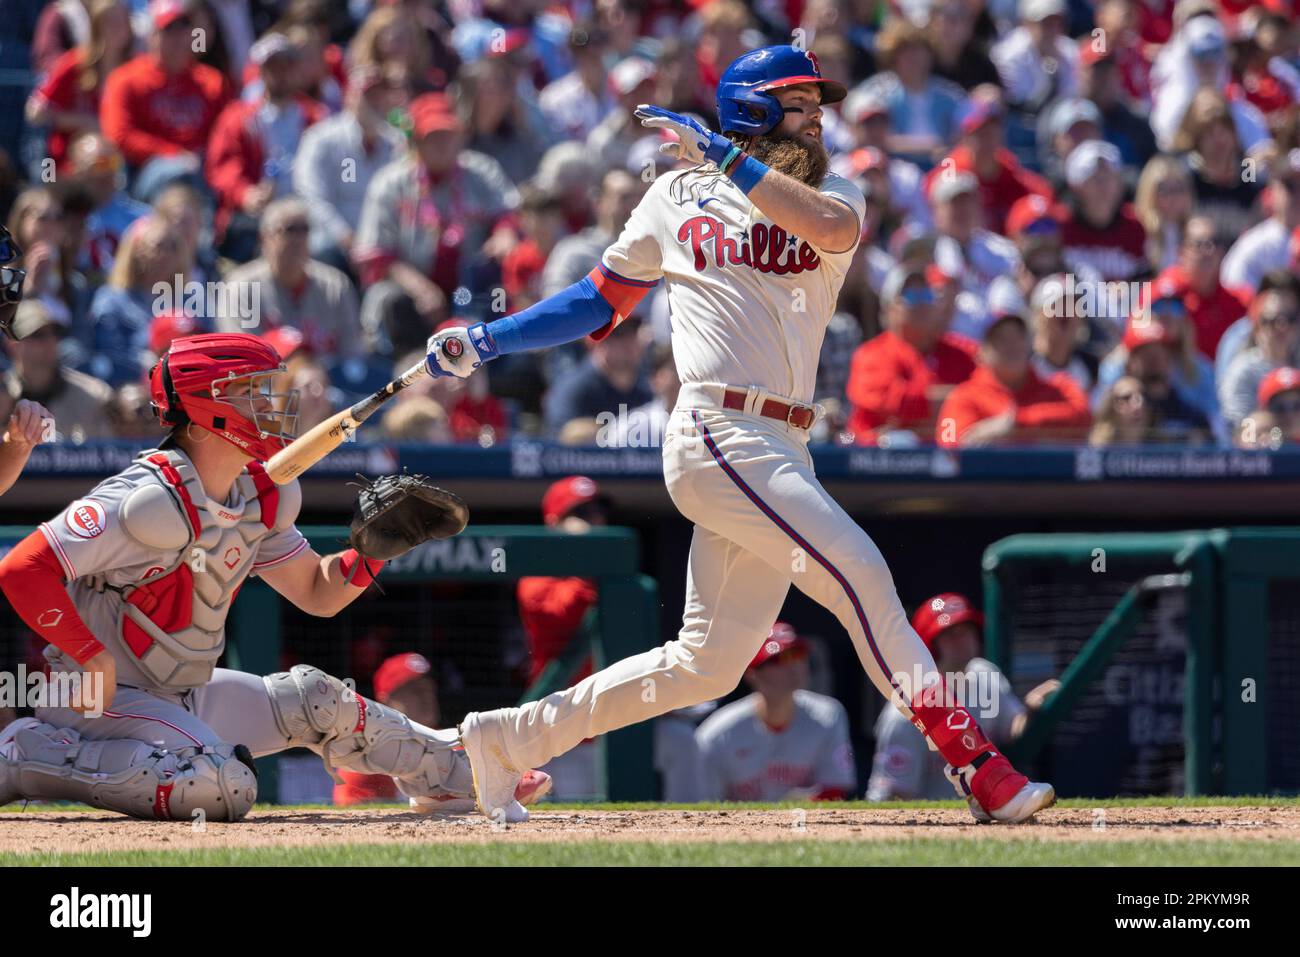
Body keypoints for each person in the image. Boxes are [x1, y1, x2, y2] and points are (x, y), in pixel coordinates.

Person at [423, 45, 1055, 825]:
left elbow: (825, 224)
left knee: (702, 666)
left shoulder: (837, 188)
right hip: (717, 425)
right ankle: (974, 762)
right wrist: (489, 338)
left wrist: (724, 155)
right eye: (801, 106)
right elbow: (598, 301)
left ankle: (506, 740)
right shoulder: (673, 195)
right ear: (755, 111)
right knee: (860, 571)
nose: (819, 120)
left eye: (820, 108)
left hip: (782, 441)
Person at [0, 333, 549, 820]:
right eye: (249, 391)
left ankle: (461, 780)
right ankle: (31, 755)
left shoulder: (257, 495)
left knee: (317, 698)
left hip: (182, 694)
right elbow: (22, 568)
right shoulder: (144, 499)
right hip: (94, 701)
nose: (266, 405)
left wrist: (371, 553)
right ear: (206, 404)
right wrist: (88, 652)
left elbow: (318, 593)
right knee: (216, 784)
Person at [867, 593, 1058, 800]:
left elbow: (1012, 728)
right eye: (950, 634)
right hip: (934, 823)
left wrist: (1031, 708)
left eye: (966, 631)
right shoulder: (904, 715)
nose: (962, 640)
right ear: (928, 646)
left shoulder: (986, 675)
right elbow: (893, 794)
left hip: (986, 815)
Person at [695, 622, 856, 801]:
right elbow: (705, 804)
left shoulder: (827, 715)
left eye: (797, 654)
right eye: (778, 659)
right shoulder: (718, 732)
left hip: (807, 824)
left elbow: (836, 788)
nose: (794, 665)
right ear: (751, 673)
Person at [99, 0, 231, 202]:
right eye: (169, 30)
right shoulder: (125, 79)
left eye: (184, 29)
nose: (178, 38)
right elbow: (119, 135)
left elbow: (226, 134)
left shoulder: (212, 82)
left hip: (203, 169)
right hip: (147, 171)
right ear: (152, 36)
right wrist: (173, 154)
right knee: (176, 173)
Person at [846, 264, 977, 445]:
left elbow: (989, 393)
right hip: (877, 462)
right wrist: (959, 403)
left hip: (951, 456)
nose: (922, 303)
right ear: (888, 311)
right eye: (911, 297)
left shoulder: (962, 352)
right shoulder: (871, 354)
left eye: (927, 295)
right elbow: (892, 405)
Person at [218, 198, 363, 358]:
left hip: (328, 382)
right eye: (290, 230)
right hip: (266, 382)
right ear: (265, 238)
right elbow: (241, 359)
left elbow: (352, 357)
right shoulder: (241, 287)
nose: (298, 239)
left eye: (304, 229)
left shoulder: (335, 286)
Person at [936, 309, 1091, 447]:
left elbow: (1083, 416)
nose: (1012, 345)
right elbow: (949, 446)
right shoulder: (964, 396)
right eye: (1001, 339)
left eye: (1019, 336)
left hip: (1047, 478)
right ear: (982, 352)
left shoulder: (1059, 386)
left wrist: (1017, 422)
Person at [0, 300, 115, 443]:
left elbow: (109, 456)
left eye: (55, 333)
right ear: (13, 345)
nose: (50, 340)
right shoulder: (3, 396)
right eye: (38, 335)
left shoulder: (94, 395)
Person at [1219, 274, 1300, 432]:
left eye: (1290, 319)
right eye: (1271, 320)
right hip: (1263, 453)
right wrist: (1267, 426)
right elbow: (1237, 433)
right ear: (1257, 326)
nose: (1281, 327)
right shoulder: (1242, 371)